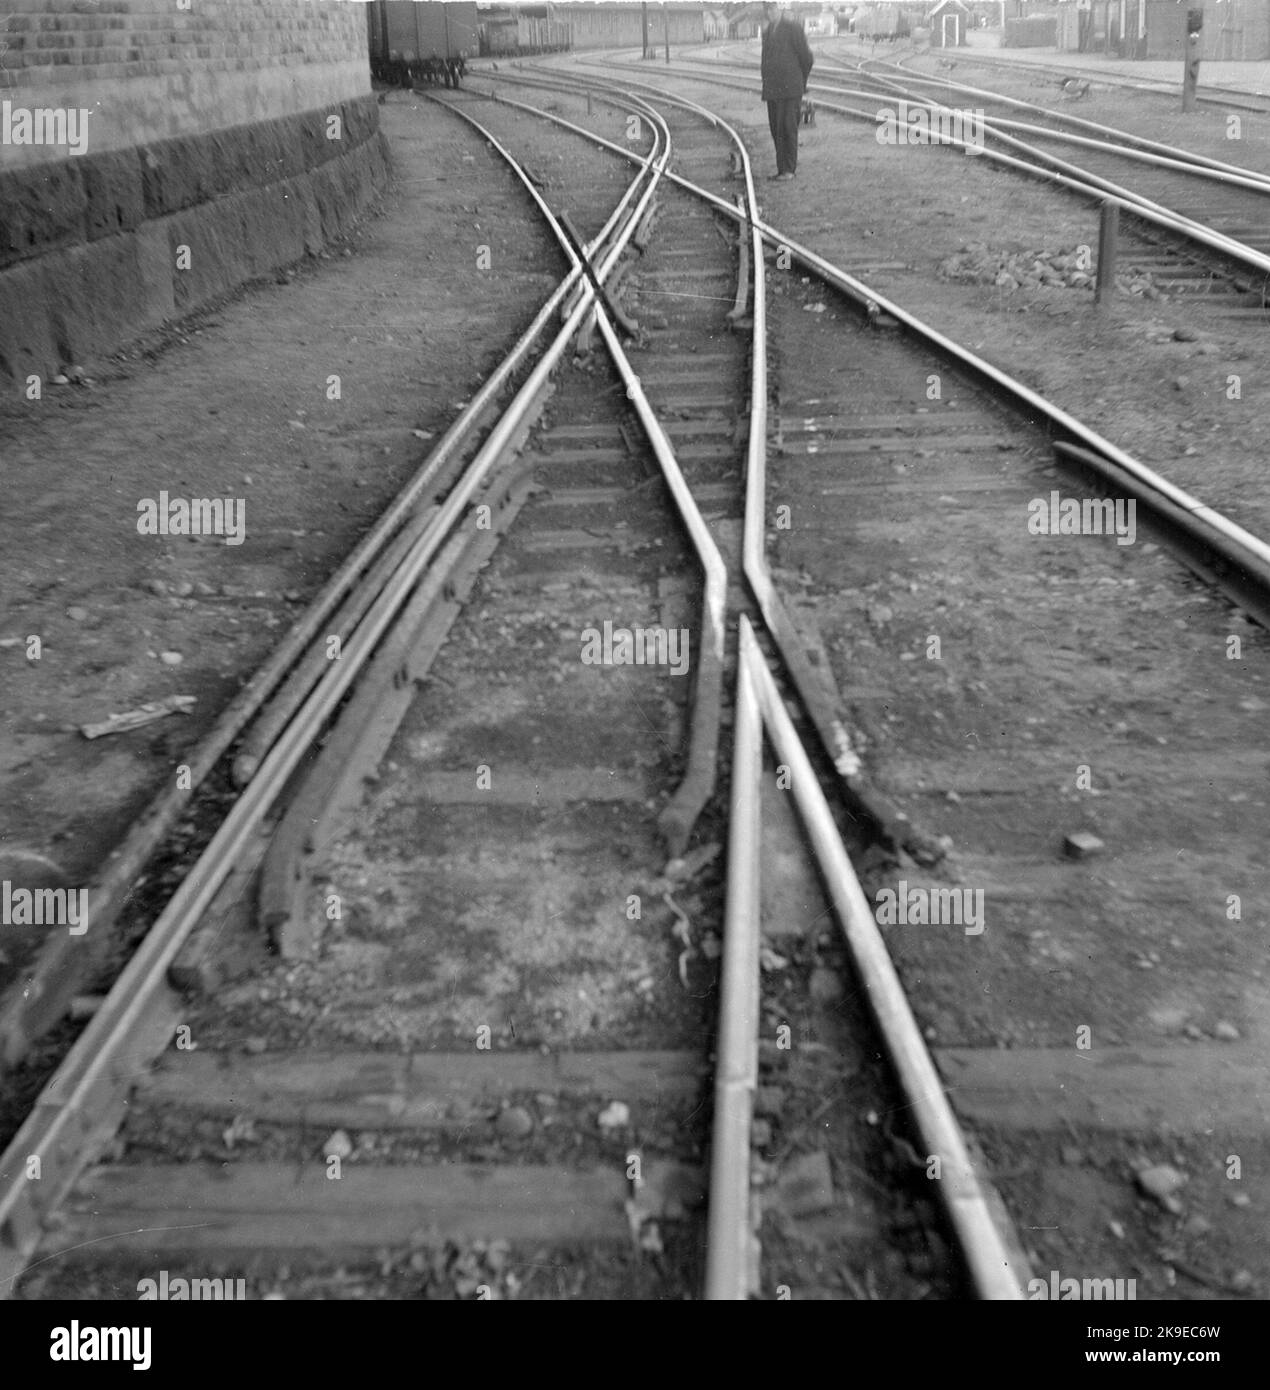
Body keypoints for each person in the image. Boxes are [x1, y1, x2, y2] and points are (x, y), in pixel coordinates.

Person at [760, 2, 814, 181]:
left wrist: (800, 82)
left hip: (790, 89)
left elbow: (807, 58)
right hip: (773, 90)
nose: (770, 12)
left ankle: (789, 170)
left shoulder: (793, 28)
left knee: (788, 128)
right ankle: (782, 169)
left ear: (779, 8)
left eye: (773, 8)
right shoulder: (768, 32)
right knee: (776, 129)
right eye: (767, 9)